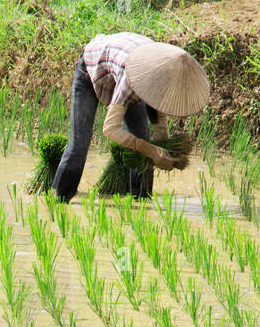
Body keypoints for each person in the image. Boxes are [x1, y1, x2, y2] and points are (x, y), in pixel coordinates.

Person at [51, 33, 210, 203]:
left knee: (142, 136)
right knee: (80, 142)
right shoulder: (130, 80)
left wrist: (164, 147)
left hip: (123, 63)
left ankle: (141, 202)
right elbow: (110, 129)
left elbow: (158, 113)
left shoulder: (165, 71)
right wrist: (153, 151)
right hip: (91, 69)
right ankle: (59, 200)